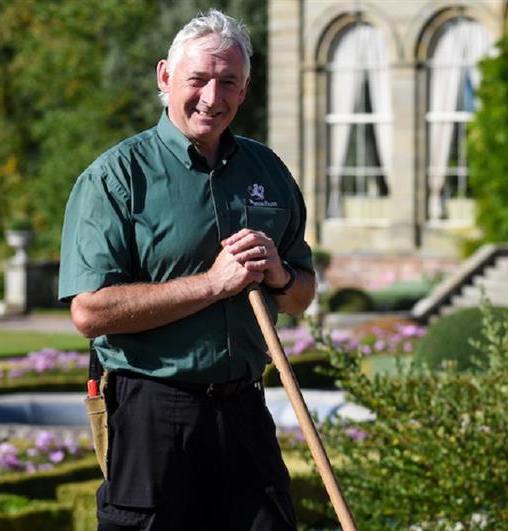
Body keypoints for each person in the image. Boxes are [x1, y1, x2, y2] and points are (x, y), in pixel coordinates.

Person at [58, 9, 315, 530]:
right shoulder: (115, 177)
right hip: (152, 410)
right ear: (165, 77)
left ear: (245, 90)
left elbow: (302, 294)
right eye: (198, 80)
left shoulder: (268, 171)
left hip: (245, 407)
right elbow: (89, 312)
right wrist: (214, 284)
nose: (212, 98)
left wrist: (278, 276)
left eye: (229, 83)